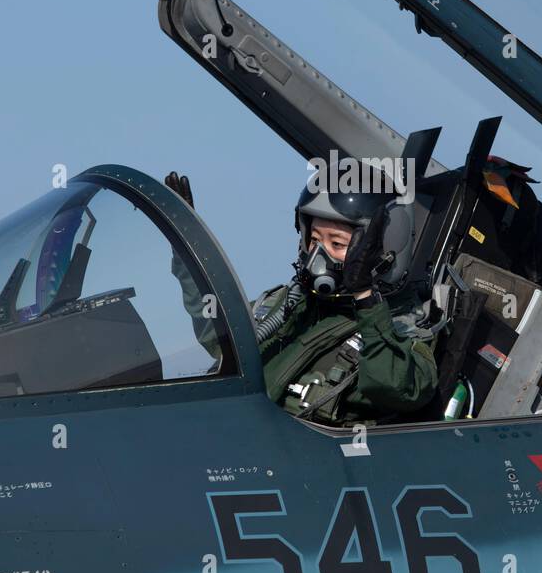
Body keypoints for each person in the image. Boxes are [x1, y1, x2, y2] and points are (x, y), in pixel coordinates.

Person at [165, 171, 438, 425]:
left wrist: (365, 297)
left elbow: (395, 388)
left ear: (383, 250)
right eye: (315, 239)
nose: (319, 255)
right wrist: (187, 248)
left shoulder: (404, 331)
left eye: (338, 244)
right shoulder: (286, 305)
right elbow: (219, 338)